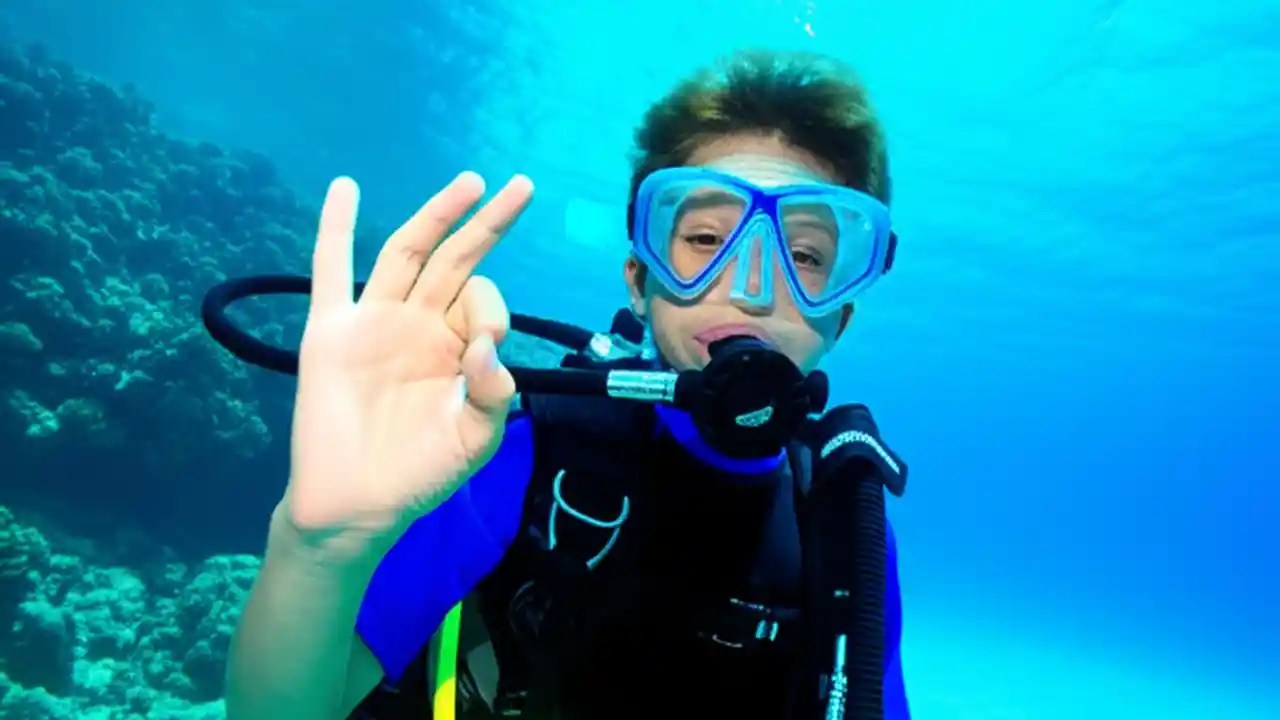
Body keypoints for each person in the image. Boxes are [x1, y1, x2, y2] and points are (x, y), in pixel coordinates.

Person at [225, 48, 908, 720]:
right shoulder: (528, 453)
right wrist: (317, 550)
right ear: (639, 283)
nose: (752, 287)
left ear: (841, 316)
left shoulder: (844, 521)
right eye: (705, 239)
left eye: (807, 255)